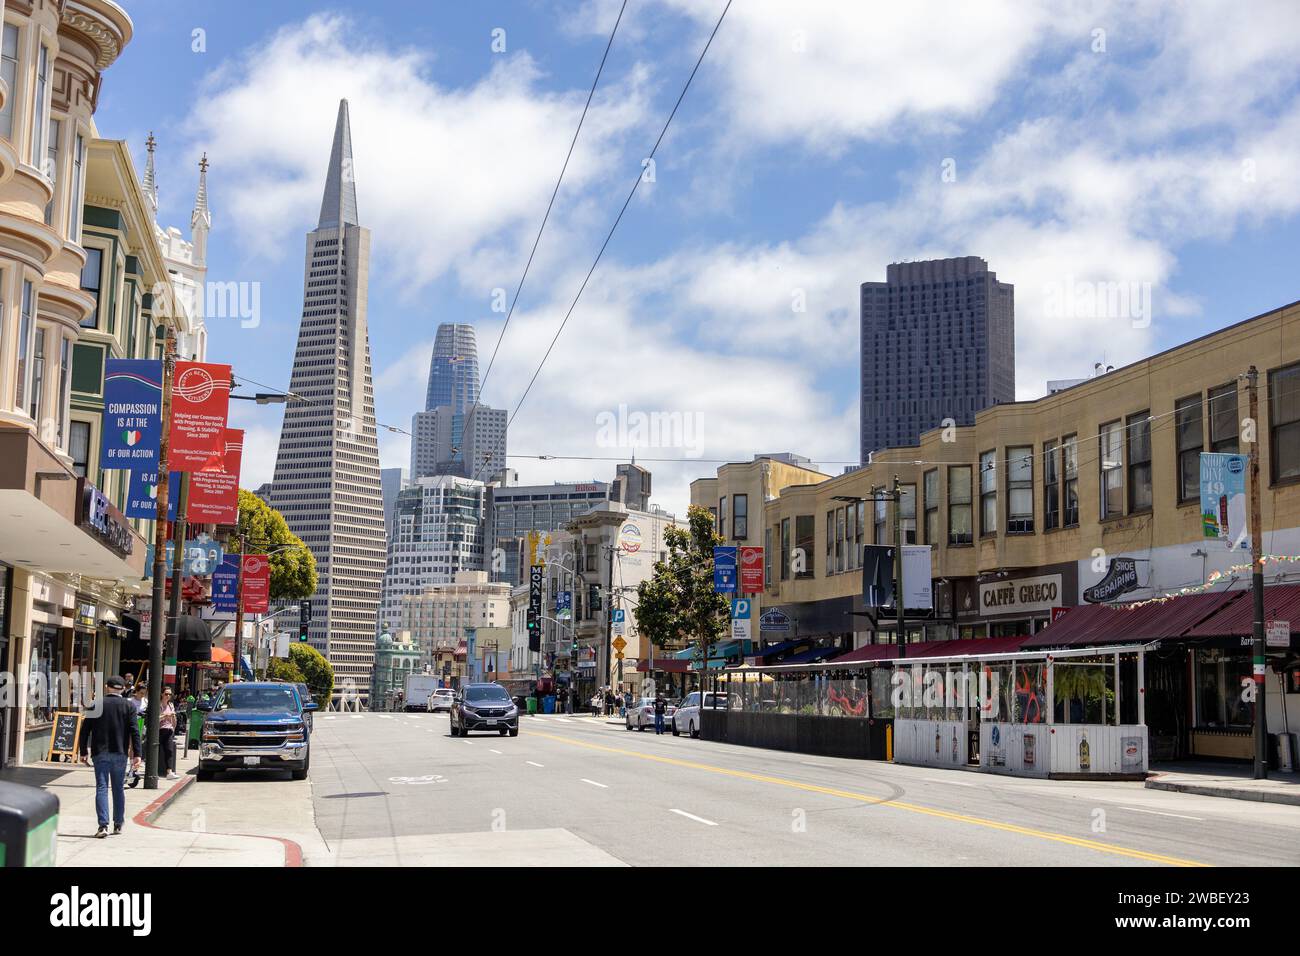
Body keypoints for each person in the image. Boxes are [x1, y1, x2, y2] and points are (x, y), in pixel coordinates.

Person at [79, 676, 142, 837]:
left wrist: (83, 751)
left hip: (100, 752)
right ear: (122, 688)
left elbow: (85, 729)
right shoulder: (129, 706)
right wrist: (137, 754)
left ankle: (103, 826)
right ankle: (118, 824)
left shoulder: (96, 705)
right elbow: (135, 731)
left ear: (107, 687)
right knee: (118, 788)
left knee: (101, 787)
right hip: (120, 752)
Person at [159, 687, 179, 780]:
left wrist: (173, 727)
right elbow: (155, 719)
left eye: (169, 694)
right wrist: (165, 716)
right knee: (157, 751)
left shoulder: (171, 705)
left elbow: (174, 719)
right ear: (162, 694)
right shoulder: (158, 705)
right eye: (166, 694)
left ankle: (169, 772)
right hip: (159, 730)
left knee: (169, 751)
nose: (168, 696)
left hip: (169, 730)